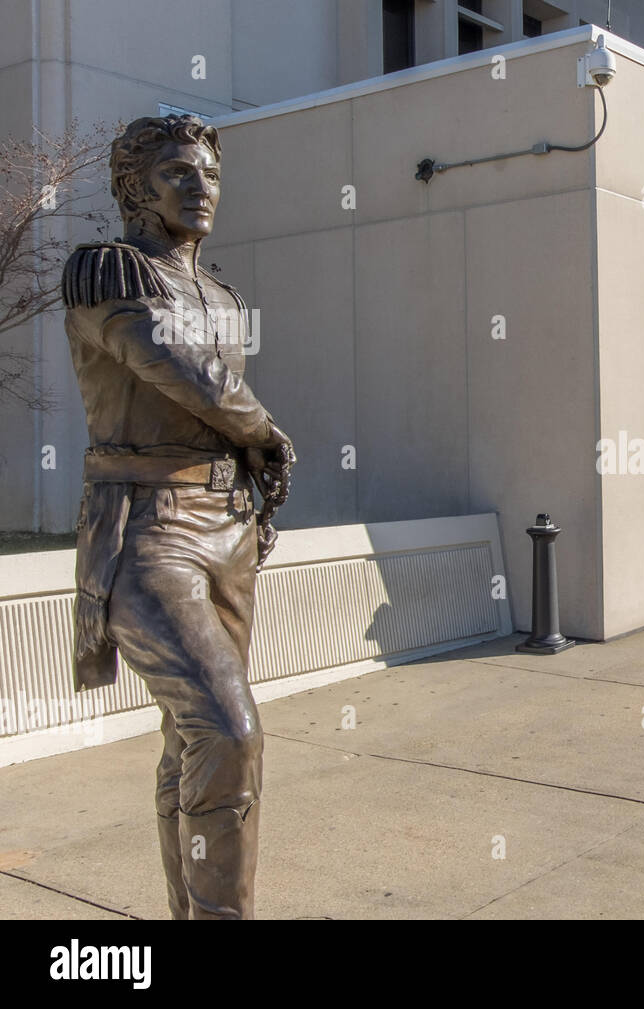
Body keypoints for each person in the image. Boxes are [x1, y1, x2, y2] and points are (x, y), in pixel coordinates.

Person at [62, 114, 294, 919]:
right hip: (147, 525)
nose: (204, 190)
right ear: (136, 187)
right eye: (180, 175)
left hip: (228, 524)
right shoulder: (105, 270)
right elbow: (178, 368)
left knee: (189, 742)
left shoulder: (223, 291)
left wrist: (253, 472)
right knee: (230, 731)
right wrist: (264, 431)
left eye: (211, 176)